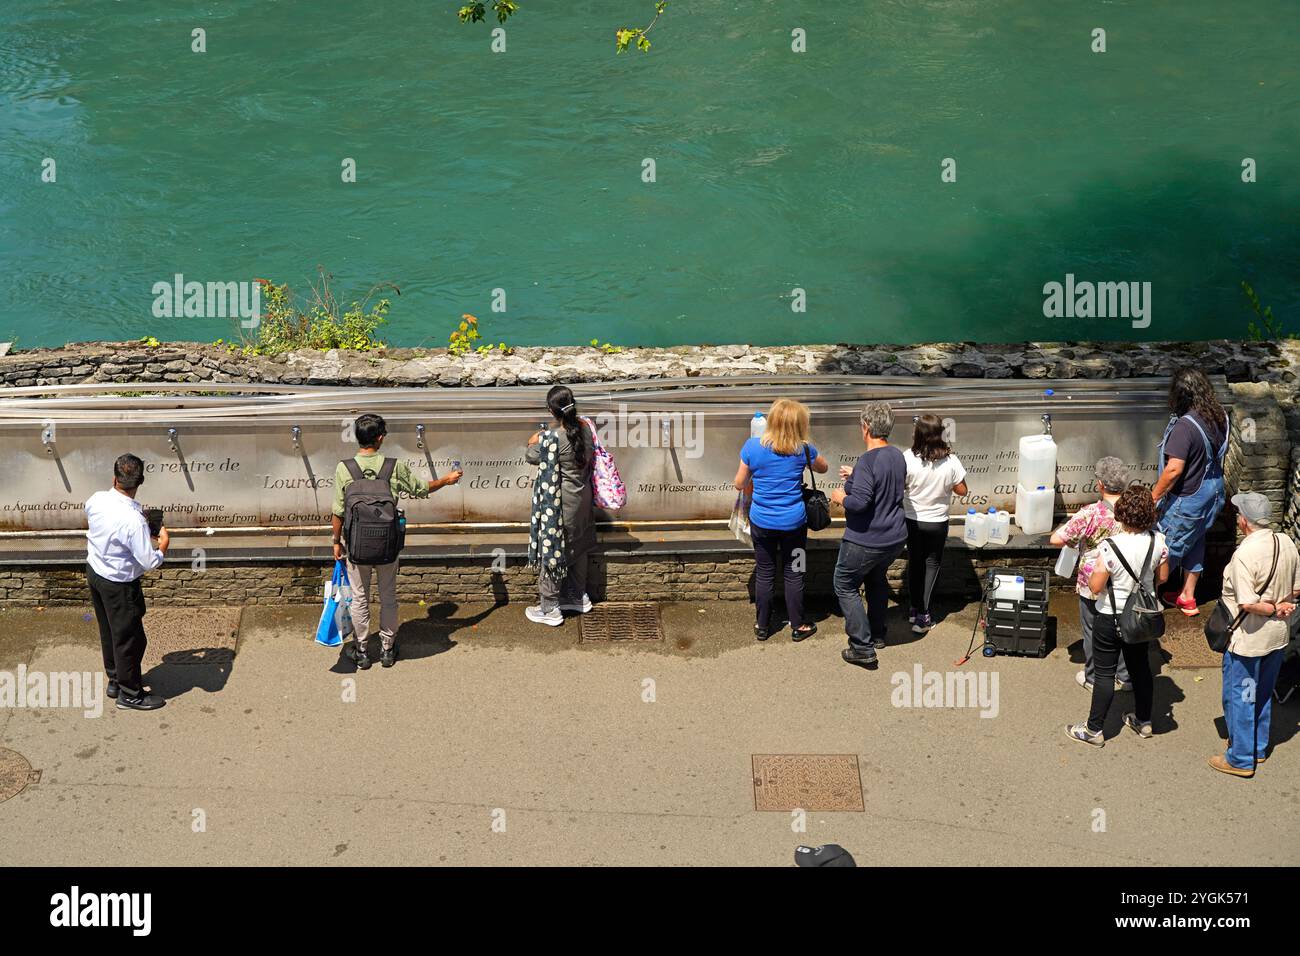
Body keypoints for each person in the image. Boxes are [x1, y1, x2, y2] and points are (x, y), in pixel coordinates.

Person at [332, 414, 462, 668]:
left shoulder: (343, 468)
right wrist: (446, 480)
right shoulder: (394, 466)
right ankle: (387, 650)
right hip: (387, 545)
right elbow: (421, 489)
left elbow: (337, 511)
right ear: (380, 438)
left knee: (359, 597)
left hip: (356, 545)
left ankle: (361, 652)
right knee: (388, 596)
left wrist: (336, 541)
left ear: (358, 437)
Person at [1064, 487, 1167, 747]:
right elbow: (1162, 577)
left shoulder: (1110, 547)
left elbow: (1096, 586)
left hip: (1110, 616)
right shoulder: (1159, 541)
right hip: (1141, 616)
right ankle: (1143, 721)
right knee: (1141, 669)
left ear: (1122, 513)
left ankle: (1094, 729)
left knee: (1105, 673)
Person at [1209, 492, 1300, 778]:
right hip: (1277, 638)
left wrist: (1271, 607)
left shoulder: (1244, 554)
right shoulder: (1286, 542)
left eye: (1238, 515)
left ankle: (1240, 758)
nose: (1236, 519)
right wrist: (1282, 606)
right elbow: (1296, 589)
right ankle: (1256, 747)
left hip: (1249, 640)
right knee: (1261, 693)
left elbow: (1247, 603)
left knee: (1242, 695)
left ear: (1245, 522)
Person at [733, 399, 829, 641]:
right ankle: (798, 625)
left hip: (762, 522)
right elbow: (824, 468)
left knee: (765, 572)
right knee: (795, 571)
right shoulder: (803, 449)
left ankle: (763, 626)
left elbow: (739, 483)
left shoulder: (752, 447)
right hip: (794, 525)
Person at [85, 453, 169, 711]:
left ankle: (115, 681)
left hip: (96, 573)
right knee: (131, 640)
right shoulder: (133, 521)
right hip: (120, 585)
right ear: (140, 481)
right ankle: (130, 694)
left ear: (115, 477)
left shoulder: (96, 500)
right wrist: (163, 545)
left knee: (109, 632)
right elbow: (148, 561)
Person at [831, 402, 907, 668]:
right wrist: (856, 475)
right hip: (895, 537)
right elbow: (882, 482)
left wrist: (841, 497)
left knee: (844, 584)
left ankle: (861, 647)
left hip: (866, 539)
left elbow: (860, 502)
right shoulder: (897, 455)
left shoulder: (867, 460)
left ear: (865, 427)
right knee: (876, 580)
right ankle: (877, 634)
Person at [1151, 368, 1230, 616]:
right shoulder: (1219, 415)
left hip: (1189, 500)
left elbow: (1174, 470)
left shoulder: (1185, 427)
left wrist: (1152, 497)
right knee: (1195, 539)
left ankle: (1148, 597)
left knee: (1169, 549)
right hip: (1213, 494)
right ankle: (1187, 596)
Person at [1050, 456, 1130, 693]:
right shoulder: (1135, 509)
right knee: (1125, 628)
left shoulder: (1090, 513)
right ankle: (1125, 677)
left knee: (1092, 629)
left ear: (1100, 485)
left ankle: (1093, 676)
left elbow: (1056, 539)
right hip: (1125, 578)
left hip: (1093, 580)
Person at [525, 385, 596, 626]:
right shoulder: (586, 428)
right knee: (579, 547)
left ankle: (549, 608)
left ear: (551, 410)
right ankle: (577, 596)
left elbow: (531, 455)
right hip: (584, 499)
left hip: (563, 505)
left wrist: (534, 438)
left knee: (554, 551)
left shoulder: (553, 438)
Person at [902, 414, 967, 635]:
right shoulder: (951, 461)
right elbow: (962, 490)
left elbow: (900, 485)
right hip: (937, 522)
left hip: (912, 520)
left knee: (915, 563)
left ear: (917, 434)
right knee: (932, 564)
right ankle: (923, 615)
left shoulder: (908, 458)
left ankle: (913, 608)